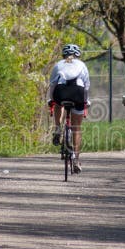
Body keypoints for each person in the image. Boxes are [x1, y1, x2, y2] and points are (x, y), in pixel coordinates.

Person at [47, 44, 90, 173]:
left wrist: (51, 99)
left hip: (61, 92)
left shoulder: (58, 65)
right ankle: (76, 160)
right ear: (78, 55)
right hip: (77, 92)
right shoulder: (82, 65)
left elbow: (53, 85)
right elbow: (87, 87)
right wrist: (86, 101)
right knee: (77, 128)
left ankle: (58, 128)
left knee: (58, 103)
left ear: (64, 55)